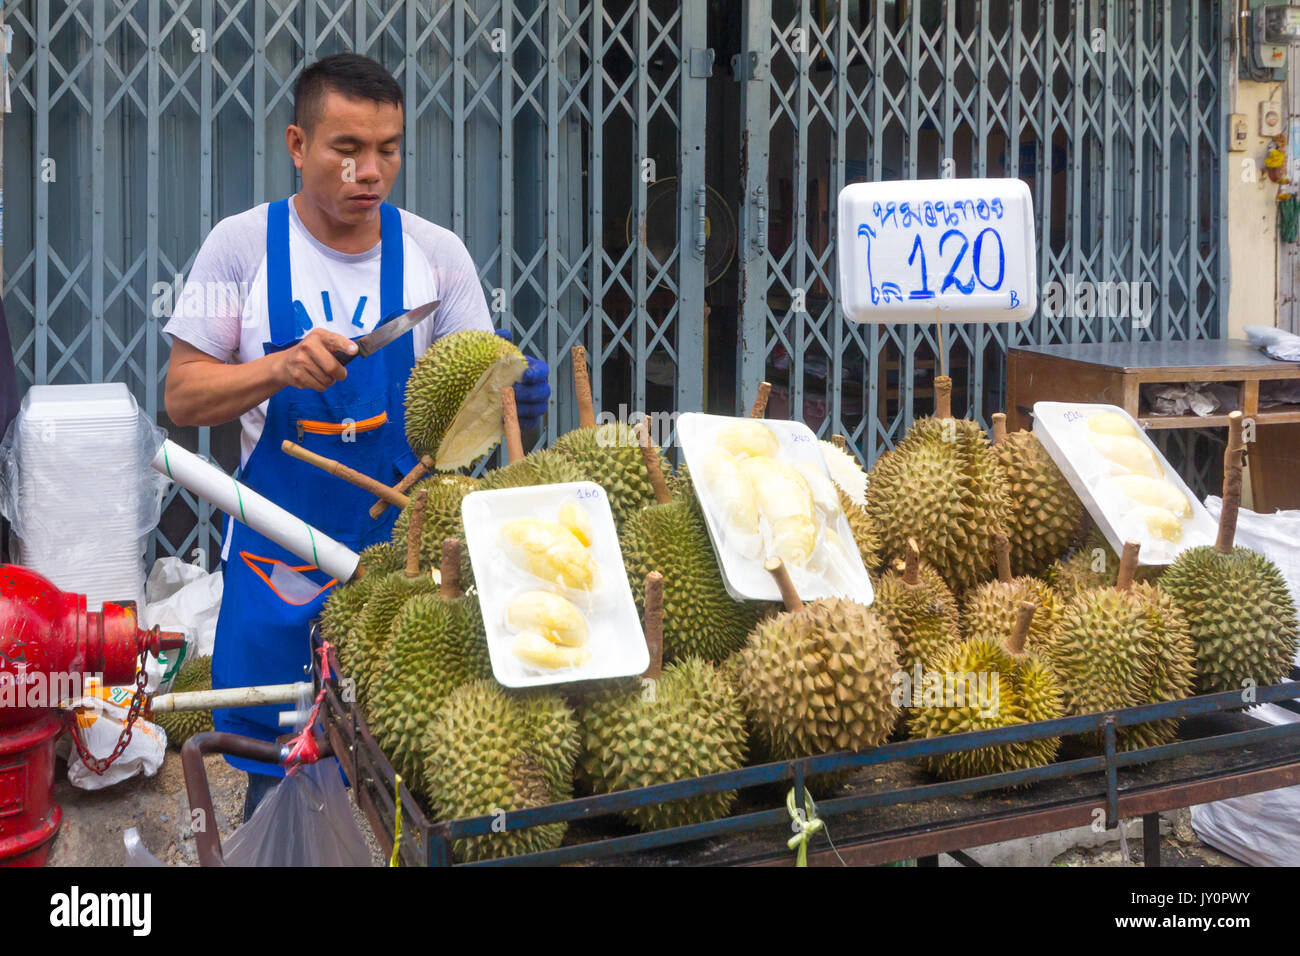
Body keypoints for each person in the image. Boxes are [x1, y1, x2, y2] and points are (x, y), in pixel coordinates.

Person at [162, 53, 548, 819]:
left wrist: (519, 402)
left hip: (405, 575)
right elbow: (182, 396)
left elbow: (474, 405)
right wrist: (275, 369)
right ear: (297, 145)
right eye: (347, 149)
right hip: (281, 565)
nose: (370, 170)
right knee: (283, 786)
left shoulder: (437, 257)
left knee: (412, 777)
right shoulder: (241, 248)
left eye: (388, 149)